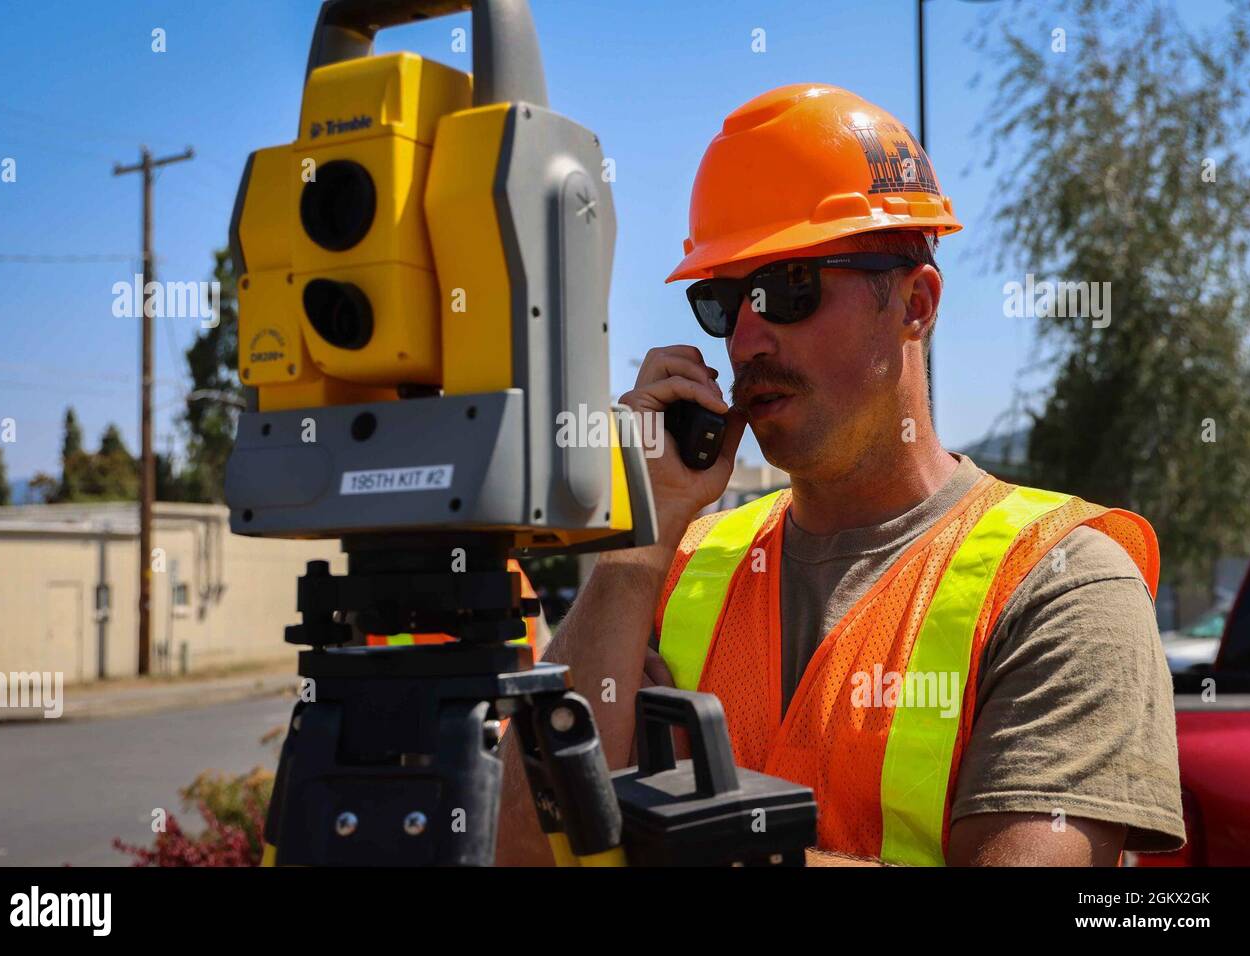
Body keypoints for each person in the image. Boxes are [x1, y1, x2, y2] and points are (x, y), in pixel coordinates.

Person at [497, 84, 1184, 866]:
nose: (748, 338)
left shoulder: (1060, 581)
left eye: (787, 290)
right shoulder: (671, 569)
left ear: (915, 303)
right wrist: (633, 551)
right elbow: (516, 850)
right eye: (722, 303)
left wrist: (685, 828)